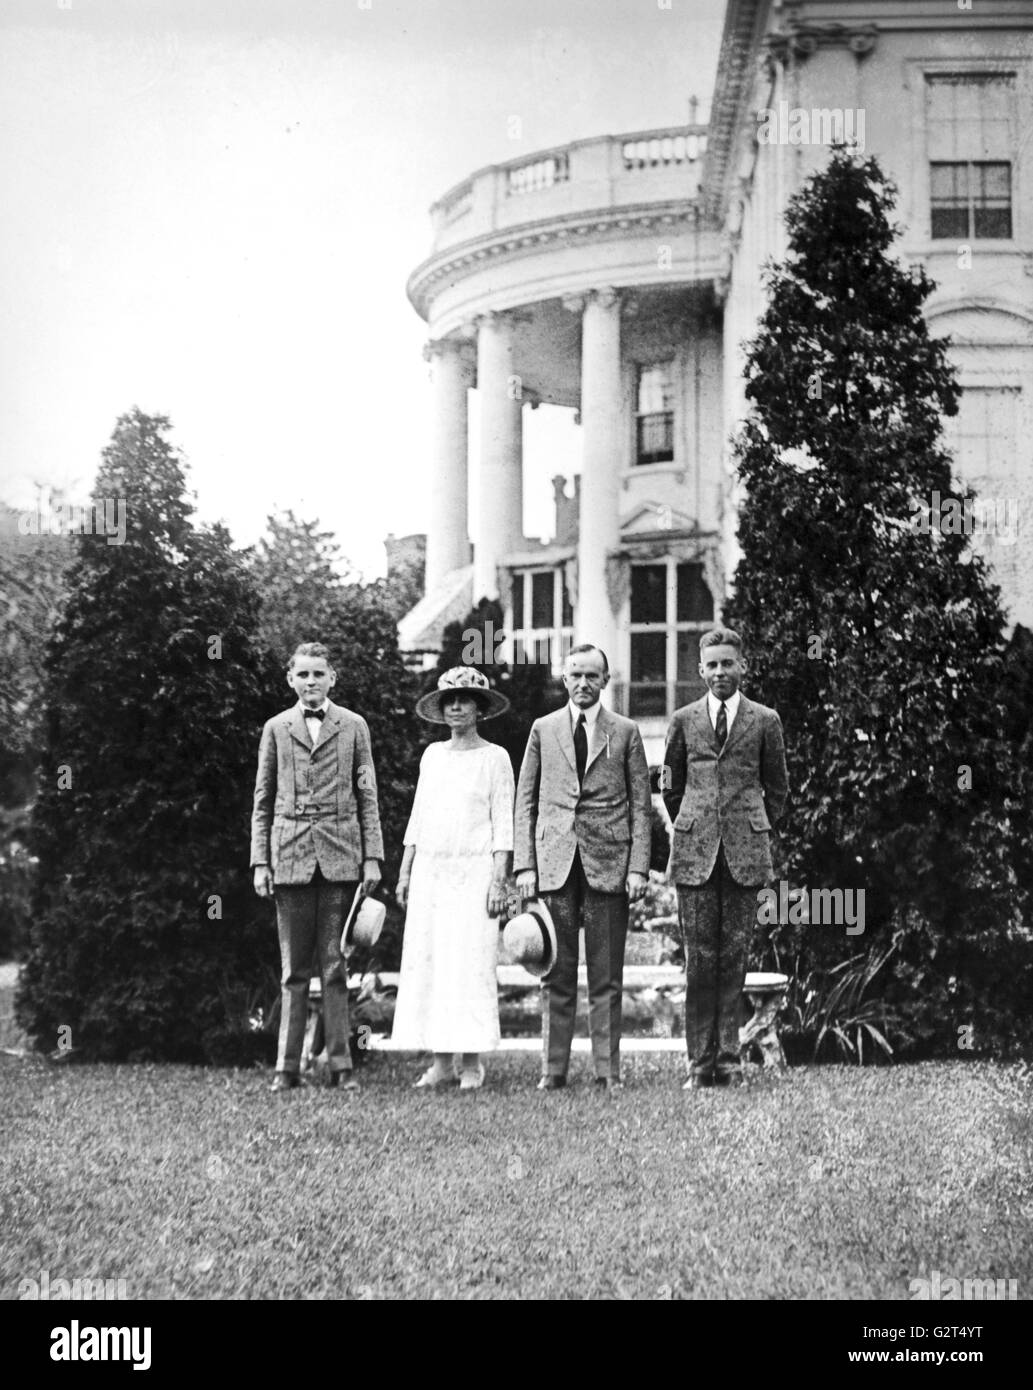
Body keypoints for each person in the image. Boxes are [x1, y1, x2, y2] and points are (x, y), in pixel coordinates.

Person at [514, 644, 651, 1091]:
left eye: (592, 676)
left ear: (606, 680)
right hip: (555, 865)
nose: (583, 683)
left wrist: (638, 868)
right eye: (575, 675)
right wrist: (525, 866)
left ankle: (608, 1071)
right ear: (564, 678)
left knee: (606, 975)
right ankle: (553, 1071)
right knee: (556, 971)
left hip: (608, 864)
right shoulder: (543, 729)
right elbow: (526, 802)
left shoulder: (626, 732)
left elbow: (641, 807)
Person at [251, 642, 383, 1093]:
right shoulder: (276, 728)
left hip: (340, 859)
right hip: (289, 858)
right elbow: (262, 801)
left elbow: (368, 795)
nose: (311, 682)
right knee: (293, 971)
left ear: (333, 678)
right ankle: (286, 1068)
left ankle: (342, 1066)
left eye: (319, 674)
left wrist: (371, 857)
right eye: (303, 674)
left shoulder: (353, 727)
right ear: (290, 679)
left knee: (334, 967)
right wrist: (260, 862)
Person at [662, 627, 788, 1089]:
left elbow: (777, 788)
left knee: (734, 956)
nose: (720, 672)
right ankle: (699, 1064)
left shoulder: (764, 720)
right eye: (712, 665)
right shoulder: (683, 720)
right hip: (696, 853)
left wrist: (750, 825)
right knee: (700, 959)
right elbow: (670, 786)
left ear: (743, 666)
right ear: (700, 670)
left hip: (744, 855)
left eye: (727, 663)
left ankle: (729, 1061)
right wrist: (695, 823)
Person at [393, 667, 514, 1091]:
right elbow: (419, 816)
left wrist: (500, 881)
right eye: (449, 700)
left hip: (475, 871)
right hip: (432, 870)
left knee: (470, 963)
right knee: (434, 962)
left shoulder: (495, 758)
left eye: (464, 700)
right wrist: (406, 871)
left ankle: (472, 1063)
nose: (456, 707)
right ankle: (441, 1062)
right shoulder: (432, 756)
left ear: (479, 707)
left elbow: (504, 823)